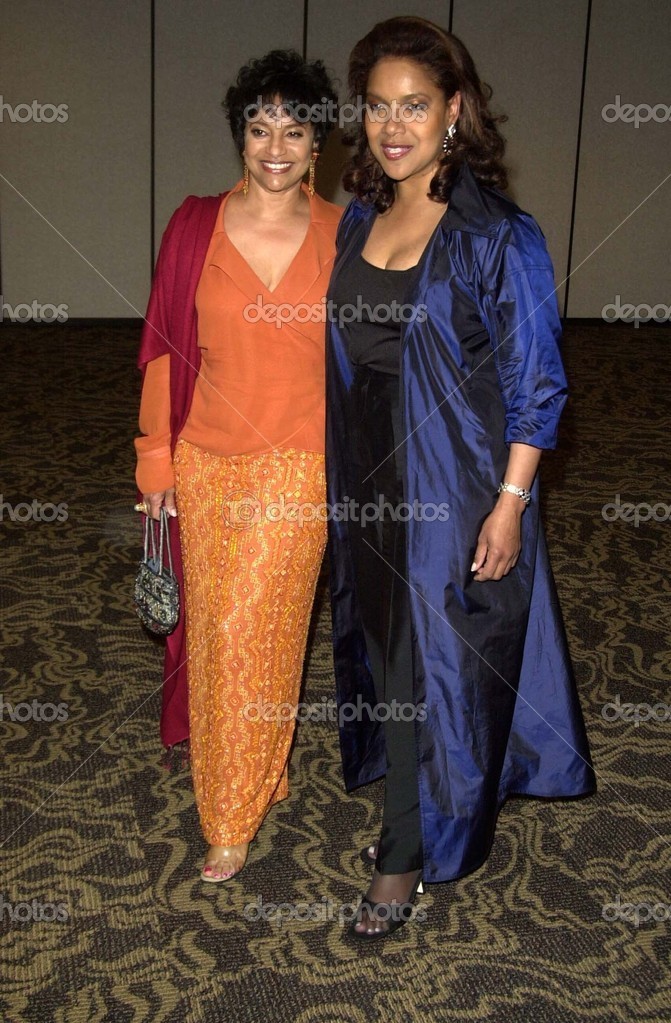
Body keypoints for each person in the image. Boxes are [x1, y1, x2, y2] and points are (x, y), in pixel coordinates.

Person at [326, 16, 595, 940]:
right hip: (362, 471)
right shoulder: (363, 215)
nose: (393, 125)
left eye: (414, 105)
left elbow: (537, 382)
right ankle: (418, 807)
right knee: (383, 649)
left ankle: (407, 852)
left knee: (423, 668)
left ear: (454, 112)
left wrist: (511, 503)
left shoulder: (497, 234)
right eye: (376, 106)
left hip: (451, 485)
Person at [135, 50, 341, 882]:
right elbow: (162, 353)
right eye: (259, 128)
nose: (276, 145)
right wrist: (155, 466)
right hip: (205, 461)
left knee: (257, 628)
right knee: (222, 634)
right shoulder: (193, 225)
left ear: (318, 140)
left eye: (294, 128)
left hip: (302, 465)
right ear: (239, 137)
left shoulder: (344, 232)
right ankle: (263, 763)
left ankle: (227, 815)